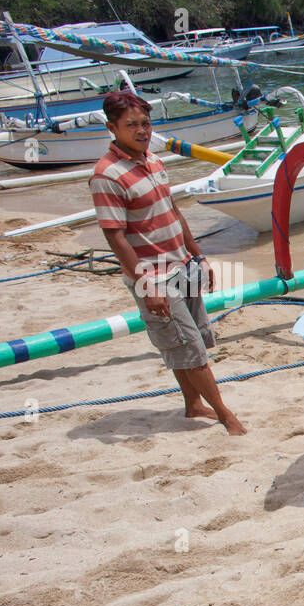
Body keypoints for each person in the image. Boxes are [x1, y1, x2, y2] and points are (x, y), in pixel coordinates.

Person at [89, 91, 245, 435]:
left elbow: (173, 213)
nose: (142, 130)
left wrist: (199, 257)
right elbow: (115, 237)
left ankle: (193, 405)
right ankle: (226, 416)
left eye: (146, 123)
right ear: (112, 127)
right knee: (190, 346)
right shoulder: (107, 175)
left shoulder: (154, 162)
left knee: (192, 341)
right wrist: (146, 286)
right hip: (153, 275)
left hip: (183, 264)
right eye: (132, 125)